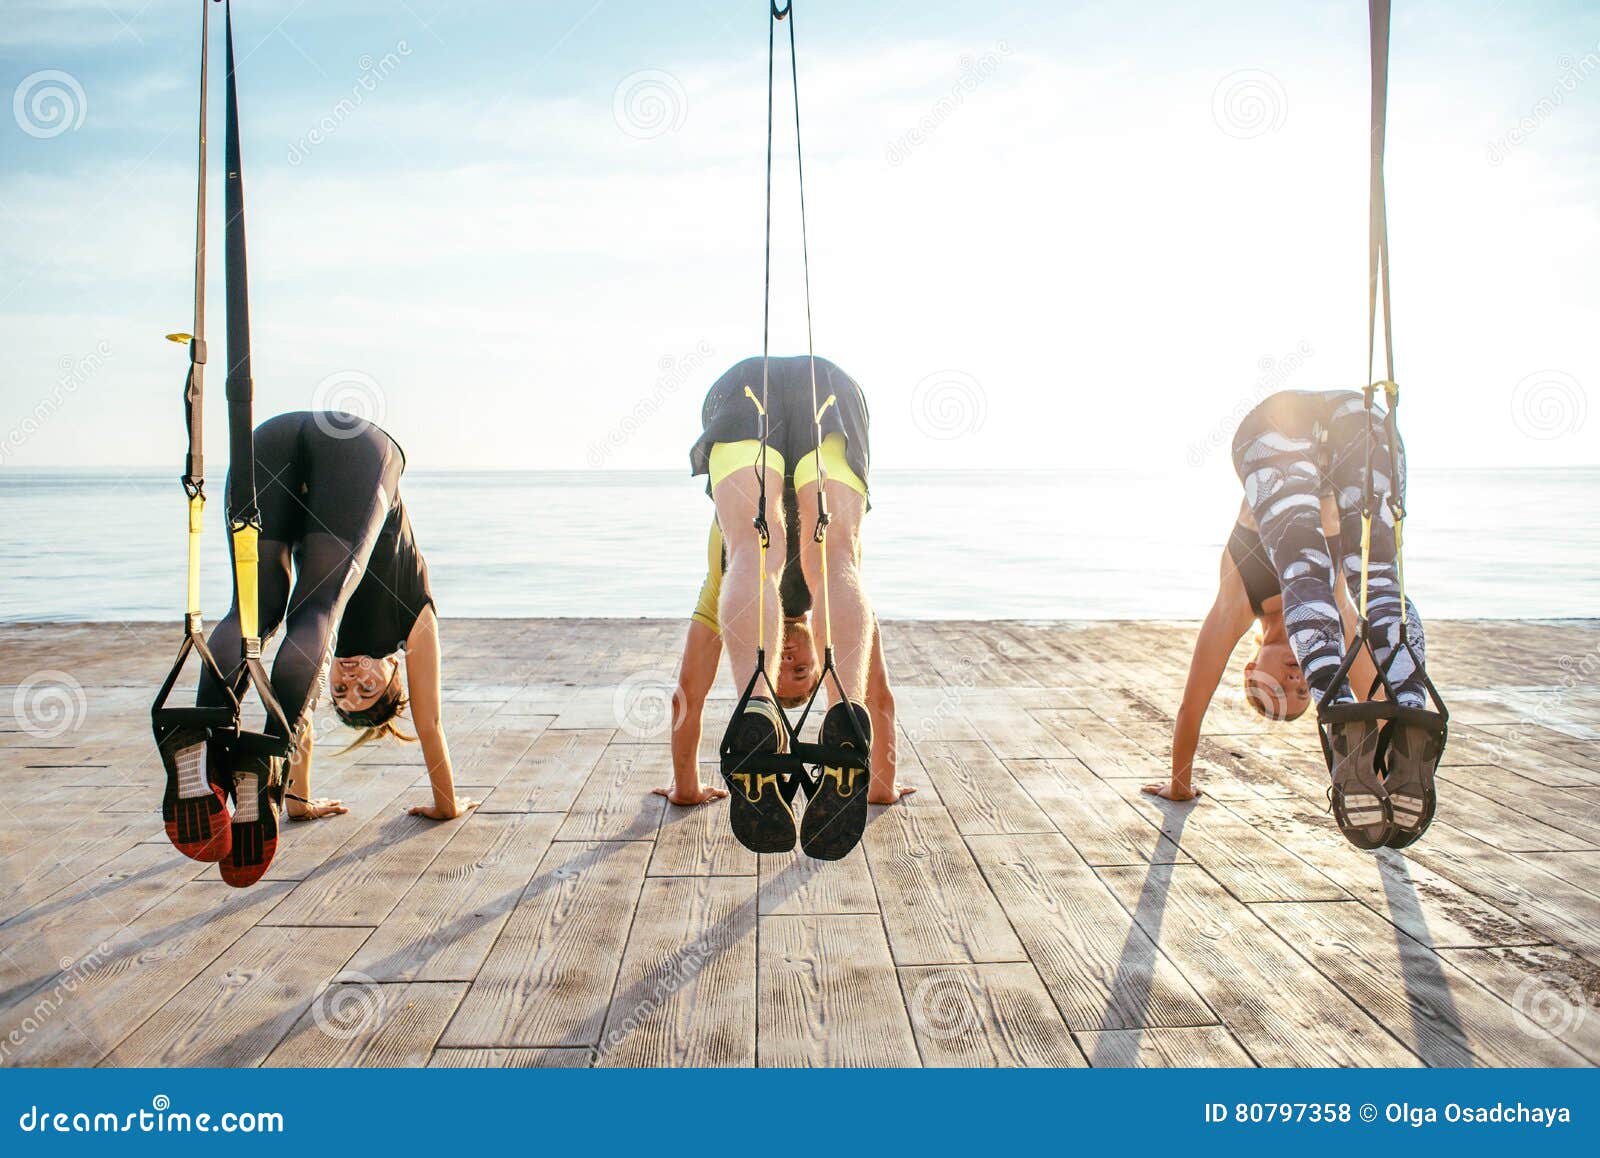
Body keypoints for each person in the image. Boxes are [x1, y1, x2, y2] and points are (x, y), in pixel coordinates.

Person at [177, 411, 476, 887]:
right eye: (368, 689)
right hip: (358, 450)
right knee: (316, 609)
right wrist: (448, 805)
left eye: (343, 692)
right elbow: (430, 724)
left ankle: (201, 758)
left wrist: (299, 804)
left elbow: (303, 729)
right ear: (395, 674)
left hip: (270, 442)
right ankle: (238, 756)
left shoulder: (318, 658)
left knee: (253, 611)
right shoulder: (411, 625)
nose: (351, 680)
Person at [1149, 389, 1441, 850]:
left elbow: (1191, 707)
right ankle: (1412, 704)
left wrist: (1179, 784)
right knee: (1380, 579)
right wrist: (1385, 781)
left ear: (1250, 667)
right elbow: (1376, 700)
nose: (1292, 680)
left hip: (1274, 427)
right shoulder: (1340, 617)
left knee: (1304, 568)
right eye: (1302, 690)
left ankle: (1337, 711)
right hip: (1360, 422)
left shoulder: (1235, 602)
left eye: (1278, 688)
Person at [656, 356, 911, 857]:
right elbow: (880, 699)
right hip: (829, 386)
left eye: (786, 672)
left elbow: (686, 696)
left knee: (753, 550)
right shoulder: (842, 611)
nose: (793, 662)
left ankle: (758, 704)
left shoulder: (720, 600)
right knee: (835, 557)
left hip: (743, 389)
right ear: (820, 657)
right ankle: (842, 711)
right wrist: (881, 782)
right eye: (803, 672)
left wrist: (685, 786)